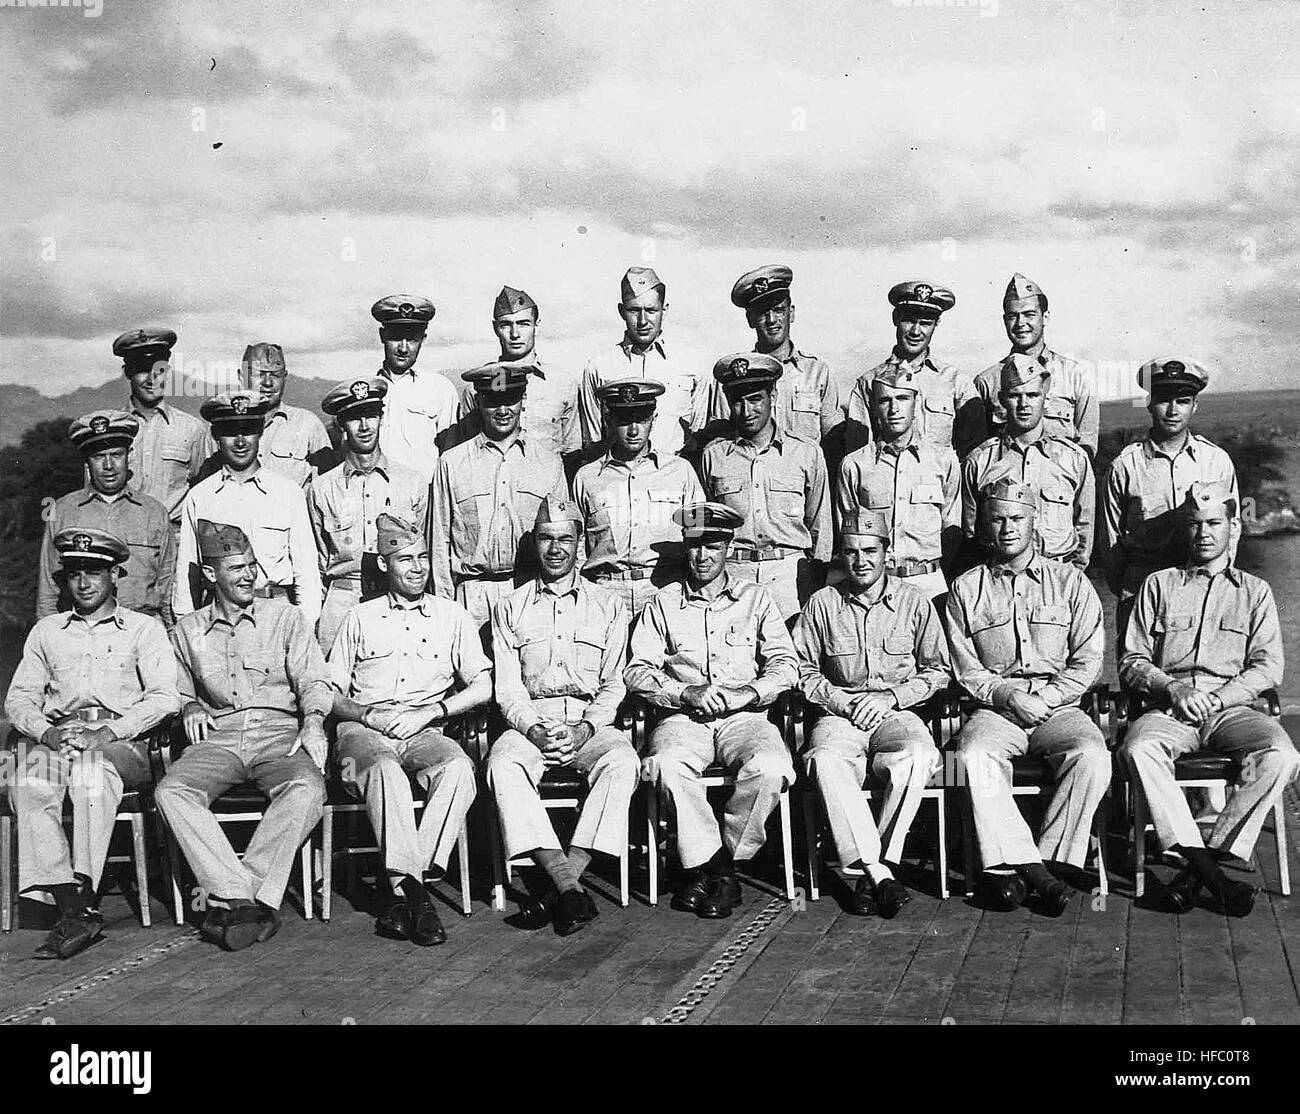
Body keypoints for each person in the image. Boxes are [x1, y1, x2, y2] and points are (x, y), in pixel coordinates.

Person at [1118, 482, 1296, 917]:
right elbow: (1131, 660)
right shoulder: (1158, 585)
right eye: (1195, 525)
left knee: (1281, 755)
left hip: (1232, 711)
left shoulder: (1255, 592)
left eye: (1214, 523)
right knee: (1138, 749)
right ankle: (1211, 875)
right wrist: (1173, 688)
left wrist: (1218, 699)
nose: (1204, 533)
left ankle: (1199, 869)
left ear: (1233, 527)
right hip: (1169, 709)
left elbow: (1268, 668)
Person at [5, 528, 179, 960]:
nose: (84, 583)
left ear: (115, 574)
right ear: (64, 579)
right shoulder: (48, 631)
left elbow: (164, 698)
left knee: (90, 775)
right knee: (28, 783)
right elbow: (19, 698)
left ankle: (80, 893)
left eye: (95, 573)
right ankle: (73, 907)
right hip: (59, 737)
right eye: (75, 573)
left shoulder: (143, 629)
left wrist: (109, 733)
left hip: (122, 744)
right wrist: (44, 732)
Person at [157, 520, 330, 951]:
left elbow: (314, 681)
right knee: (170, 792)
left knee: (308, 789)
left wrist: (312, 720)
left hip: (278, 735)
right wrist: (190, 705)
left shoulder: (286, 618)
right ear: (212, 575)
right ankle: (247, 899)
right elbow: (175, 691)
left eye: (252, 564)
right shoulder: (187, 630)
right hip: (219, 736)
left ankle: (238, 897)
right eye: (236, 567)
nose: (249, 575)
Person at [626, 502, 799, 919]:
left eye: (713, 546)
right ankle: (720, 871)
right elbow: (636, 670)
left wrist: (749, 692)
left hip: (745, 717)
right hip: (685, 719)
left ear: (729, 548)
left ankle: (716, 861)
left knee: (772, 767)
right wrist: (683, 693)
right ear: (684, 548)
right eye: (694, 546)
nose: (703, 557)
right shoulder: (662, 603)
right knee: (664, 764)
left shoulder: (756, 599)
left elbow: (786, 665)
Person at [946, 479, 1108, 917]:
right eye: (997, 519)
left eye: (1017, 518)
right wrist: (1005, 693)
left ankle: (1042, 859)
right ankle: (1041, 875)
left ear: (1035, 521)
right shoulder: (965, 589)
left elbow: (1089, 656)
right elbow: (964, 665)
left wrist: (1051, 694)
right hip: (996, 709)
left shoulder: (1070, 582)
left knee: (1092, 754)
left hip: (1059, 707)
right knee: (972, 755)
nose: (1007, 528)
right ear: (984, 526)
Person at [327, 513, 489, 946]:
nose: (417, 568)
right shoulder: (359, 618)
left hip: (425, 727)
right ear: (384, 565)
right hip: (366, 732)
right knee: (383, 771)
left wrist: (435, 711)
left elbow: (484, 684)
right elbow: (328, 693)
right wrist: (365, 716)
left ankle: (404, 892)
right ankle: (417, 894)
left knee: (458, 769)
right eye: (404, 559)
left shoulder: (451, 617)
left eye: (422, 557)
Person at [487, 497, 639, 936]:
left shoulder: (608, 605)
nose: (556, 549)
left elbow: (615, 682)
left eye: (565, 539)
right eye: (546, 539)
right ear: (535, 544)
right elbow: (508, 687)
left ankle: (561, 885)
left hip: (590, 722)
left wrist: (587, 726)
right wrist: (533, 729)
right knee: (502, 764)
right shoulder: (509, 606)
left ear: (581, 546)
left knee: (622, 762)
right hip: (532, 720)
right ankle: (569, 888)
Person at [793, 511, 950, 917]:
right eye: (851, 551)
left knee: (919, 756)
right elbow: (803, 670)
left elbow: (938, 669)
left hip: (896, 712)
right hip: (839, 715)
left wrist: (893, 698)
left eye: (870, 551)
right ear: (840, 556)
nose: (860, 560)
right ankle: (880, 874)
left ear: (887, 553)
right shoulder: (822, 604)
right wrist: (843, 702)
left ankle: (874, 869)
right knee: (825, 760)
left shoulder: (914, 601)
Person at [1101, 358, 1238, 652]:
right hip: (1141, 592)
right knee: (1140, 684)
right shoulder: (1126, 466)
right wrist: (1131, 589)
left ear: (1195, 406)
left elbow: (1232, 529)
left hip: (1203, 588)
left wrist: (1218, 582)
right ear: (1149, 404)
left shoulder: (1216, 462)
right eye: (1164, 400)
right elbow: (1110, 542)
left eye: (1183, 401)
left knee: (1201, 680)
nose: (1173, 410)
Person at [429, 362, 569, 633]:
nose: (503, 411)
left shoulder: (549, 463)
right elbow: (439, 544)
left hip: (531, 592)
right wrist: (444, 613)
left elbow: (565, 536)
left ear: (523, 400)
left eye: (510, 400)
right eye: (493, 402)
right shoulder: (452, 463)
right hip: (472, 597)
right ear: (479, 402)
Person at [700, 352, 831, 623]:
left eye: (755, 399)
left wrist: (816, 588)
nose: (746, 411)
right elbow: (707, 530)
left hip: (791, 578)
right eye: (737, 402)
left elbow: (821, 530)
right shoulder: (713, 456)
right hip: (736, 576)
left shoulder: (806, 454)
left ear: (773, 397)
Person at [173, 392, 322, 627]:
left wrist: (304, 626)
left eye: (249, 430)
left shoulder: (287, 493)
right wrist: (188, 628)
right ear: (216, 436)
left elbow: (306, 571)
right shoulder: (200, 497)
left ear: (261, 432)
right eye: (231, 432)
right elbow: (186, 575)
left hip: (275, 614)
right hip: (219, 617)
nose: (241, 441)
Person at [310, 376, 429, 649]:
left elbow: (422, 553)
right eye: (354, 418)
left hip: (396, 599)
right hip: (340, 602)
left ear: (381, 418)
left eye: (370, 416)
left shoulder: (412, 482)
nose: (364, 426)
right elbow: (316, 563)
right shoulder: (321, 489)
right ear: (342, 424)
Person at [572, 379, 705, 618]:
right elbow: (577, 541)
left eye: (641, 419)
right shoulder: (587, 477)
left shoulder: (680, 471)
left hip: (665, 589)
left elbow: (698, 536)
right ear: (609, 420)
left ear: (653, 419)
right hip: (605, 592)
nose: (633, 430)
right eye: (624, 420)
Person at [37, 410, 175, 626]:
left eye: (116, 455)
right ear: (87, 461)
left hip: (143, 630)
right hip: (82, 630)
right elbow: (48, 591)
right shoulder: (62, 511)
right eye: (99, 456)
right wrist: (48, 639)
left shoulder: (155, 512)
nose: (109, 465)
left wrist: (170, 639)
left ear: (129, 455)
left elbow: (167, 587)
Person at [836, 366, 960, 601]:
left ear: (917, 402)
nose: (894, 409)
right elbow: (847, 534)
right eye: (885, 400)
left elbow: (952, 528)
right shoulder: (854, 465)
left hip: (929, 584)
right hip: (875, 587)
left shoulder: (943, 461)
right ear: (874, 407)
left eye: (902, 398)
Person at [962, 353, 1094, 569]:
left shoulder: (1073, 460)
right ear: (1003, 400)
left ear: (1046, 400)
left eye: (1032, 395)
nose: (1024, 404)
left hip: (1058, 579)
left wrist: (1073, 576)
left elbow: (1084, 528)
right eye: (1015, 396)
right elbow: (970, 533)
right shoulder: (979, 462)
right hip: (999, 579)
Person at [439, 286, 581, 480]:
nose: (515, 334)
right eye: (506, 325)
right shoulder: (477, 388)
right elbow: (467, 454)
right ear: (495, 328)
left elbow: (572, 452)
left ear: (536, 325)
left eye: (523, 324)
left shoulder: (562, 384)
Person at [703, 264, 842, 452]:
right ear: (750, 319)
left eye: (778, 310)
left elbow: (833, 440)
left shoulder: (817, 373)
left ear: (791, 313)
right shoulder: (734, 376)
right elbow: (720, 443)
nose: (771, 320)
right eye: (762, 313)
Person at [579, 267, 709, 459]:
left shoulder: (692, 364)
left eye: (650, 310)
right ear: (621, 311)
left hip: (674, 476)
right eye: (634, 310)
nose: (642, 321)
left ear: (664, 310)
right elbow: (593, 440)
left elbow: (700, 436)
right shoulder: (599, 367)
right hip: (618, 478)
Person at [845, 281, 981, 458]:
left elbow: (974, 455)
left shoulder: (957, 382)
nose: (916, 331)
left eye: (925, 323)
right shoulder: (869, 383)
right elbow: (856, 456)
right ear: (895, 318)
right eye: (909, 321)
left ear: (936, 324)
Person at [973, 273, 1097, 457]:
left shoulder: (1076, 375)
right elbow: (978, 454)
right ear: (1004, 320)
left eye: (1029, 314)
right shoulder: (986, 382)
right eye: (1012, 316)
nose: (1020, 323)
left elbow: (1086, 447)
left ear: (1045, 317)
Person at [112, 327, 211, 530]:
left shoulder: (192, 429)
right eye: (141, 370)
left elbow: (204, 491)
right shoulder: (111, 429)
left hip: (175, 537)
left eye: (158, 370)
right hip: (124, 537)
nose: (151, 379)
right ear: (127, 373)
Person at [368, 295, 458, 482]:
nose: (403, 348)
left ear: (423, 339)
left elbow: (451, 457)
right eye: (395, 338)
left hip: (423, 499)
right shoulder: (366, 390)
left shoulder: (440, 389)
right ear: (382, 336)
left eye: (412, 339)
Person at [240, 342, 332, 488]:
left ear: (285, 377)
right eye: (259, 374)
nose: (268, 382)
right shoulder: (224, 427)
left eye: (276, 375)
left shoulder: (308, 424)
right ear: (242, 377)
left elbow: (326, 488)